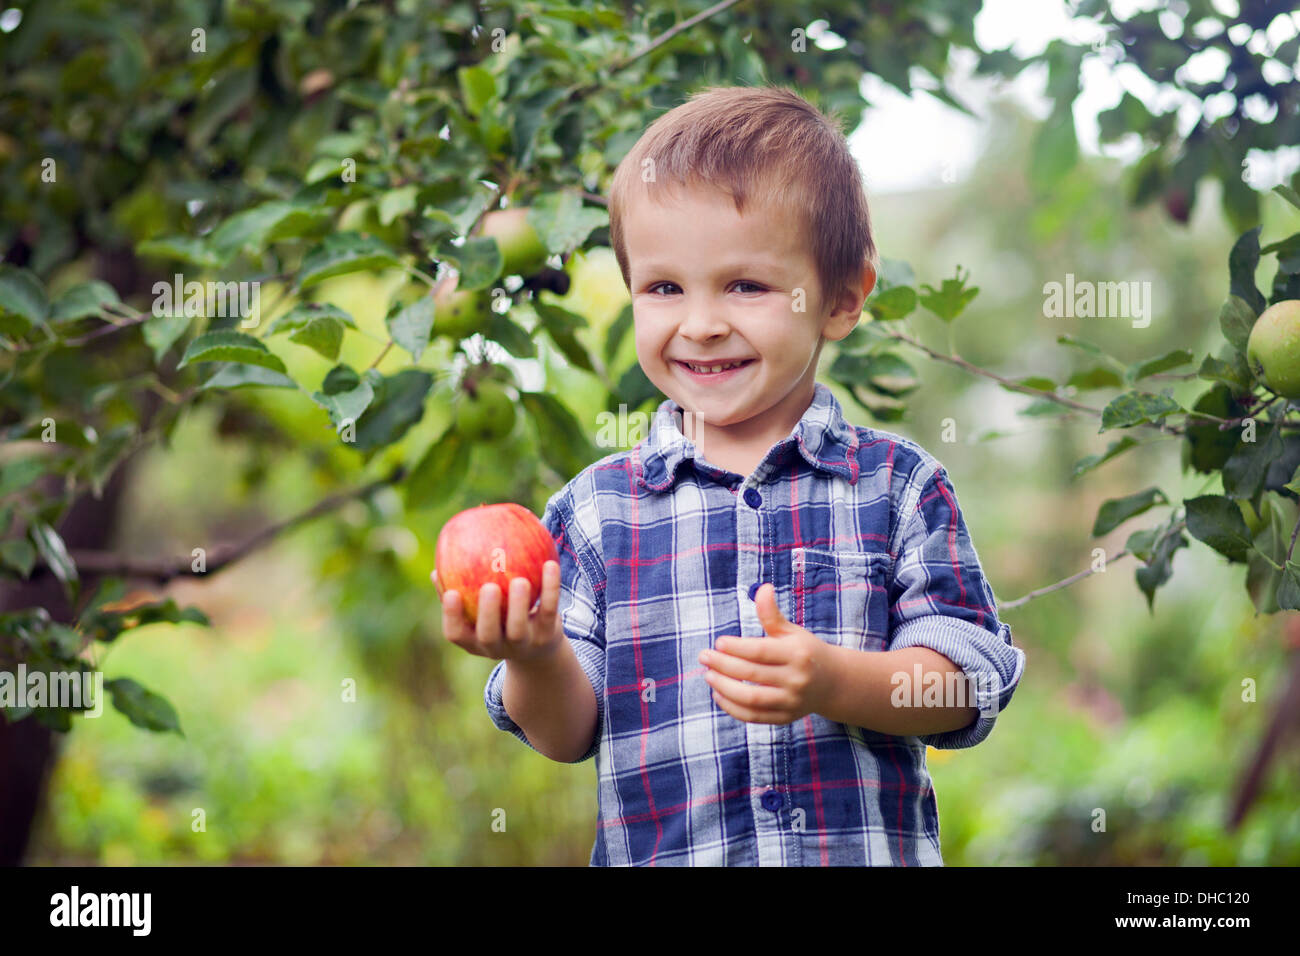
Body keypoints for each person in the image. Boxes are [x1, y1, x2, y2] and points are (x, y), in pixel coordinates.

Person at [435, 84, 1026, 866]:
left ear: (842, 299)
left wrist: (832, 681)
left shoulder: (897, 487)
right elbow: (565, 733)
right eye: (664, 288)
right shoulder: (595, 513)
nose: (702, 322)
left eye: (745, 286)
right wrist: (534, 654)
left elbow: (966, 685)